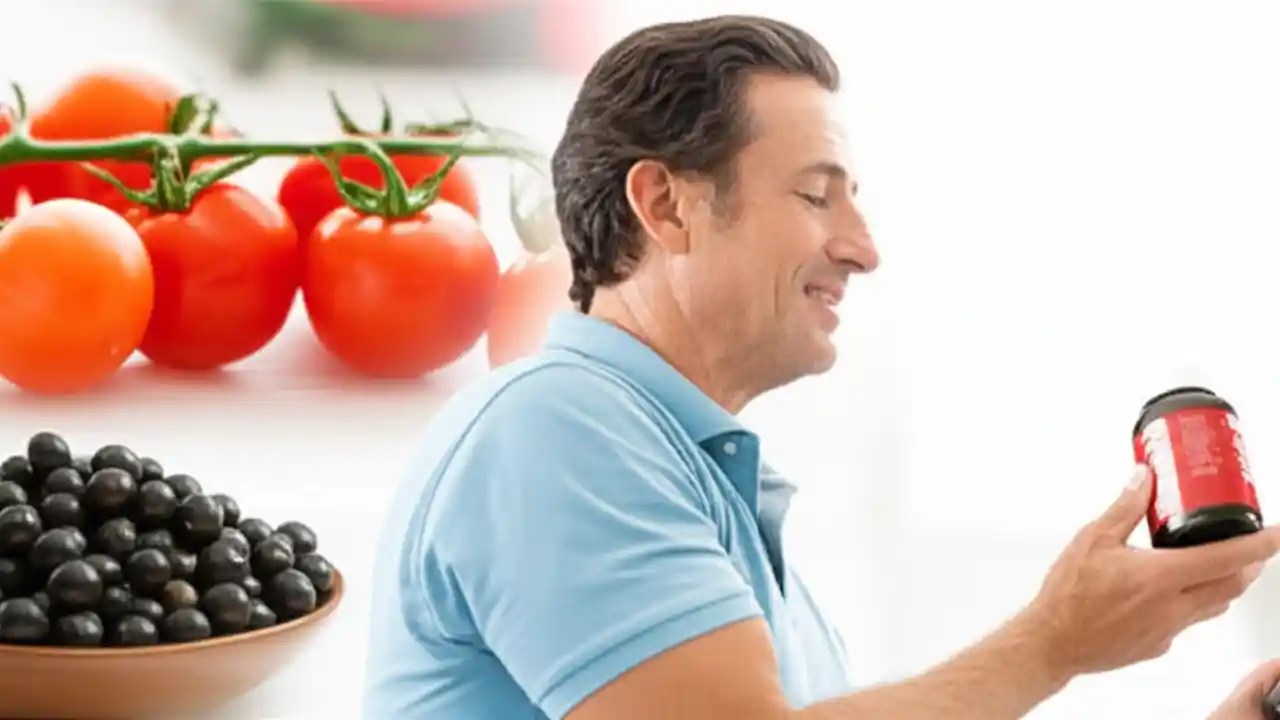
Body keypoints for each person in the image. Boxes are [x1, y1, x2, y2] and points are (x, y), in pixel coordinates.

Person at [361, 14, 1280, 719]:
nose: (864, 249)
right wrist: (1056, 641)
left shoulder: (681, 468)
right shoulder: (553, 431)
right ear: (666, 206)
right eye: (815, 195)